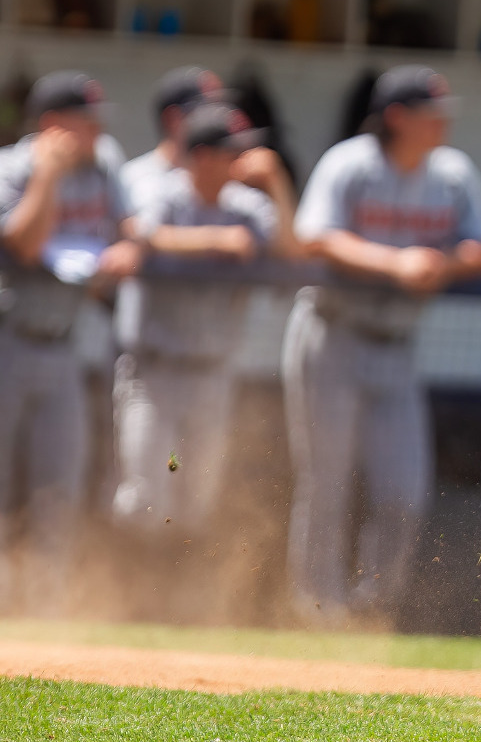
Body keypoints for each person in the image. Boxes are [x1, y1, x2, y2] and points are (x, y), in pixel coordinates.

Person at [284, 65, 481, 627]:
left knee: (405, 489)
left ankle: (371, 606)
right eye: (432, 115)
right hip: (332, 334)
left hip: (398, 345)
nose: (443, 124)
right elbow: (314, 237)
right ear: (398, 117)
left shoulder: (451, 173)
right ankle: (316, 607)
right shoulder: (350, 162)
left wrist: (445, 262)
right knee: (326, 481)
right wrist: (395, 262)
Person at [112, 103, 296, 539]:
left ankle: (176, 601)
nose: (241, 160)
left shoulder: (247, 205)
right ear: (200, 156)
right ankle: (123, 594)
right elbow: (140, 232)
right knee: (145, 494)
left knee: (196, 497)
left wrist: (278, 182)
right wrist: (215, 239)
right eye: (229, 151)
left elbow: (294, 251)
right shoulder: (165, 192)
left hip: (212, 375)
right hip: (154, 373)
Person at [0, 71, 143, 603]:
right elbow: (28, 245)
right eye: (84, 122)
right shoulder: (13, 167)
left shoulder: (104, 162)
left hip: (63, 345)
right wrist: (47, 176)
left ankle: (47, 603)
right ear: (53, 125)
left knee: (59, 482)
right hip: (8, 339)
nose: (96, 132)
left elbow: (133, 232)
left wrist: (131, 248)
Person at [119, 66, 225, 208]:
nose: (219, 121)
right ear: (173, 119)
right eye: (207, 113)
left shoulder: (228, 179)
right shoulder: (133, 179)